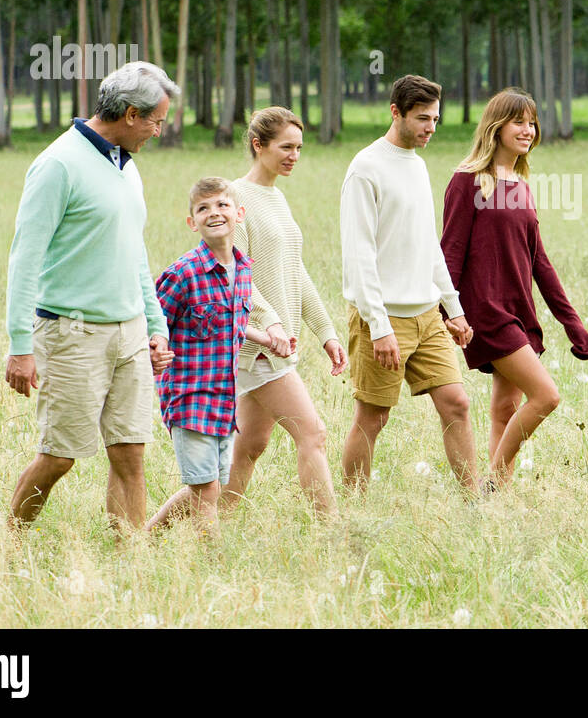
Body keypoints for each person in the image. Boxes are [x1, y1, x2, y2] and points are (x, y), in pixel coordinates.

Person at [4, 61, 180, 533]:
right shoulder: (58, 164)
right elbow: (24, 258)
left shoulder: (126, 166)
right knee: (60, 456)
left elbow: (135, 252)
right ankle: (9, 543)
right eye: (157, 121)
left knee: (131, 455)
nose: (160, 132)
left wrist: (156, 325)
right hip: (71, 333)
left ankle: (130, 558)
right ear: (128, 114)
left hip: (129, 335)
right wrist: (21, 345)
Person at [440, 88, 588, 490]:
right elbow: (450, 251)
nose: (527, 130)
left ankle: (498, 504)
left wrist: (571, 322)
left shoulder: (520, 185)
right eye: (518, 122)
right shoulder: (468, 181)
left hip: (520, 312)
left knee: (505, 409)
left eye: (531, 122)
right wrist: (448, 313)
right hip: (486, 312)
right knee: (546, 397)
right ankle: (489, 484)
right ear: (496, 127)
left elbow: (539, 261)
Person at [339, 75, 479, 496]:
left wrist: (452, 308)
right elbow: (359, 255)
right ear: (395, 112)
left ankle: (474, 501)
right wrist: (378, 327)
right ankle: (353, 508)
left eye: (435, 119)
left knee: (456, 403)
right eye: (422, 118)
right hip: (382, 318)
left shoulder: (417, 165)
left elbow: (427, 246)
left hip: (426, 316)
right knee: (373, 418)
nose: (430, 128)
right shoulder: (365, 168)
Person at [221, 107, 347, 518]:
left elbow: (296, 271)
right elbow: (235, 273)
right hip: (258, 346)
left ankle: (176, 529)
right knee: (312, 432)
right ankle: (332, 533)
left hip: (277, 343)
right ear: (259, 145)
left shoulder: (276, 197)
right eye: (286, 147)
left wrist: (325, 332)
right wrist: (268, 320)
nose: (294, 155)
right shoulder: (235, 199)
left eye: (299, 148)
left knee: (248, 450)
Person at [148, 177, 276, 536]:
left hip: (224, 400)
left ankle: (146, 538)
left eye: (222, 205)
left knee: (208, 488)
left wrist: (265, 337)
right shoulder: (183, 274)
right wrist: (152, 351)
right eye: (203, 208)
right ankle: (214, 564)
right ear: (192, 222)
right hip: (190, 397)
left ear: (239, 213)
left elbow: (229, 320)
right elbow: (153, 324)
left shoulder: (242, 268)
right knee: (206, 492)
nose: (214, 213)